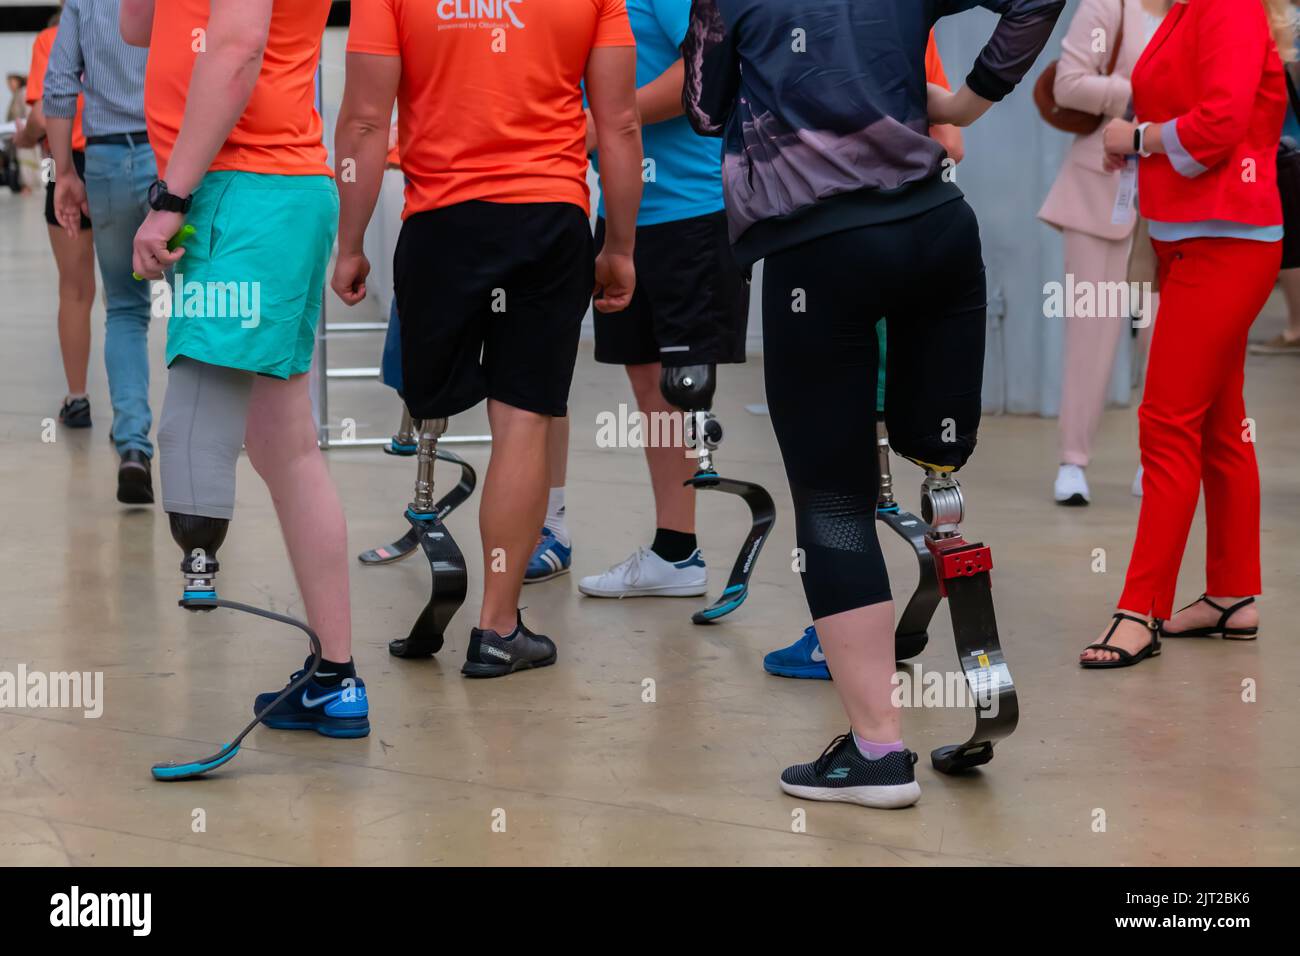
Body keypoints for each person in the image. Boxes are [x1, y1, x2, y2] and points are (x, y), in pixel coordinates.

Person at [684, 0, 1063, 809]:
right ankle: (955, 626)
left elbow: (703, 107)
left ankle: (879, 754)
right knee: (939, 467)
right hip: (936, 231)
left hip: (818, 250)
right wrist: (964, 100)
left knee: (834, 505)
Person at [335, 0, 643, 678]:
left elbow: (363, 120)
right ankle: (497, 628)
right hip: (547, 220)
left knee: (433, 406)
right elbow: (619, 122)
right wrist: (619, 246)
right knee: (524, 420)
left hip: (442, 225)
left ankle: (463, 588)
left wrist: (349, 243)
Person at [121, 0, 368, 737]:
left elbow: (235, 46)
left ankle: (207, 572)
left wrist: (171, 198)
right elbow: (142, 26)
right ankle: (336, 677)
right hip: (255, 191)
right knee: (284, 449)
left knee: (194, 427)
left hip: (243, 191)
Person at [1080, 0, 1291, 667]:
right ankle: (1232, 595)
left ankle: (1139, 609)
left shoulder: (1224, 6)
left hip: (1223, 240)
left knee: (1166, 421)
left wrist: (1139, 139)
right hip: (1196, 236)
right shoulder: (1191, 8)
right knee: (1221, 424)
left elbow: (1223, 121)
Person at [524, 0, 752, 596]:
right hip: (626, 210)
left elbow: (704, 70)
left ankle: (679, 552)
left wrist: (604, 122)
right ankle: (674, 552)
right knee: (649, 384)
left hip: (692, 208)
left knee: (677, 387)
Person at [763, 29, 965, 681]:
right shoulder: (907, 19)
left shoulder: (782, 21)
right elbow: (951, 139)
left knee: (838, 482)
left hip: (833, 259)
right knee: (879, 470)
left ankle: (846, 645)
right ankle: (865, 639)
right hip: (917, 245)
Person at [1039, 0, 1164, 506]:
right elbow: (1069, 84)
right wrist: (1146, 94)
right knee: (1091, 331)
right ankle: (1073, 462)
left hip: (1179, 188)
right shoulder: (1108, 6)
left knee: (1167, 336)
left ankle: (1155, 461)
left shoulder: (1200, 13)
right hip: (1103, 187)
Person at [45, 0, 158, 504]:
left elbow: (58, 87)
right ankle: (196, 440)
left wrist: (65, 174)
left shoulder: (83, 2)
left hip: (107, 161)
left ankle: (134, 445)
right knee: (195, 304)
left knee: (126, 309)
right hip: (171, 155)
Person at [13, 7, 96, 429]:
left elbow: (43, 116)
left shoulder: (52, 38)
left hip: (72, 167)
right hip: (135, 159)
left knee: (76, 291)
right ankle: (139, 413)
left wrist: (24, 138)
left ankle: (78, 399)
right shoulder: (138, 21)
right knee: (133, 299)